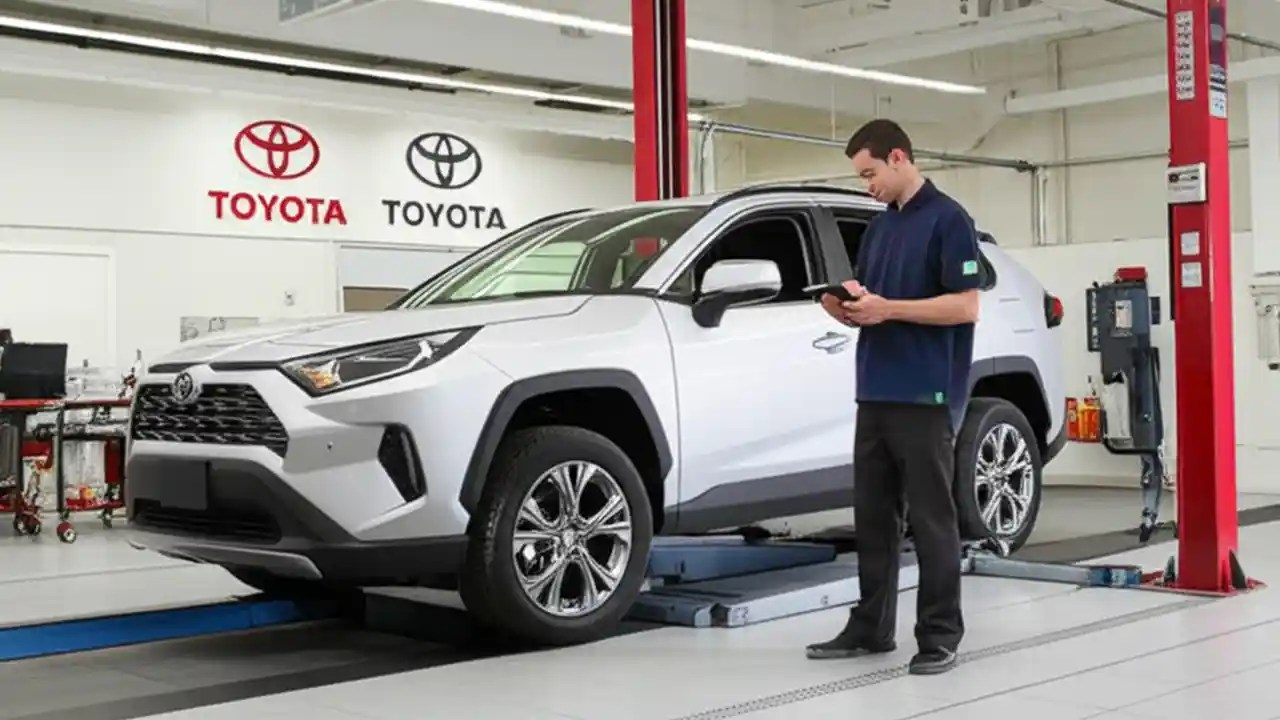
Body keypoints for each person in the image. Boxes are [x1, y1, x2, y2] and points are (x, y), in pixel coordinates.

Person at [805, 118, 983, 676]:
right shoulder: (880, 229)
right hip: (875, 389)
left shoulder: (950, 221)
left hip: (925, 394)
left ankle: (939, 634)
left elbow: (965, 306)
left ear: (900, 157)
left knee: (932, 520)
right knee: (874, 519)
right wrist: (848, 307)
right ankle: (871, 627)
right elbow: (874, 300)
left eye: (870, 173)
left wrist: (888, 309)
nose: (868, 185)